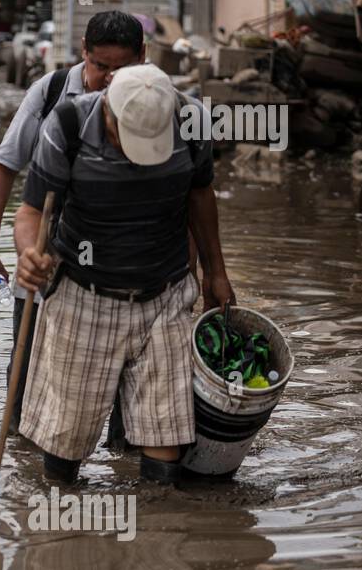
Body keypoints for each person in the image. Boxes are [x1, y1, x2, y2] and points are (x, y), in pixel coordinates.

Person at [14, 63, 234, 485]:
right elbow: (31, 213)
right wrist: (29, 255)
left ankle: (156, 536)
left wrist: (215, 273)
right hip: (84, 294)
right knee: (66, 435)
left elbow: (200, 195)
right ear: (108, 110)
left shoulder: (191, 122)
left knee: (165, 429)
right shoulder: (68, 125)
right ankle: (57, 538)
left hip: (165, 292)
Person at [0, 11, 147, 434]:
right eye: (100, 66)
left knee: (131, 392)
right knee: (29, 378)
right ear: (83, 52)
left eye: (121, 68)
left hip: (125, 267)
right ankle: (26, 463)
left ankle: (126, 467)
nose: (109, 79)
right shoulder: (50, 94)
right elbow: (5, 164)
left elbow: (189, 191)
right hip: (46, 256)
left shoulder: (156, 102)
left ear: (143, 58)